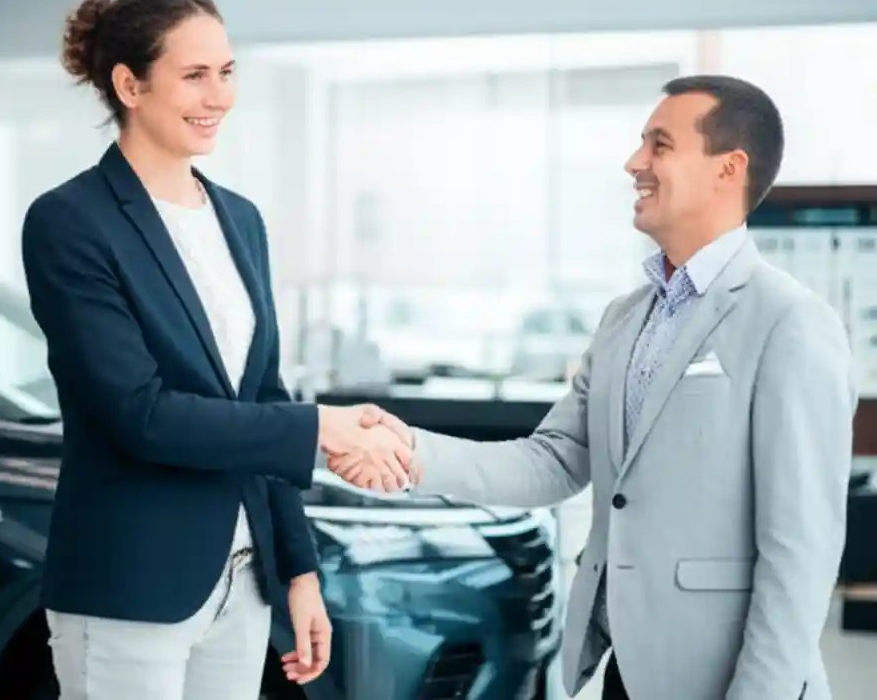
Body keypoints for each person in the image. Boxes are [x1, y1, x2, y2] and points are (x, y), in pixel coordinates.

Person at [334, 75, 857, 700]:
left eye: (660, 145)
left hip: (728, 680)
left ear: (729, 168)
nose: (635, 163)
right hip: (626, 670)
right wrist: (410, 453)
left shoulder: (790, 322)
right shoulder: (625, 317)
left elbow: (800, 552)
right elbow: (553, 460)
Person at [20, 0, 413, 699]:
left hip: (242, 581)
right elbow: (139, 414)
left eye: (227, 72)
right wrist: (321, 428)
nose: (219, 96)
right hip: (132, 581)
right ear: (130, 85)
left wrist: (299, 571)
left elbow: (262, 396)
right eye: (195, 75)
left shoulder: (240, 219)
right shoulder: (70, 221)